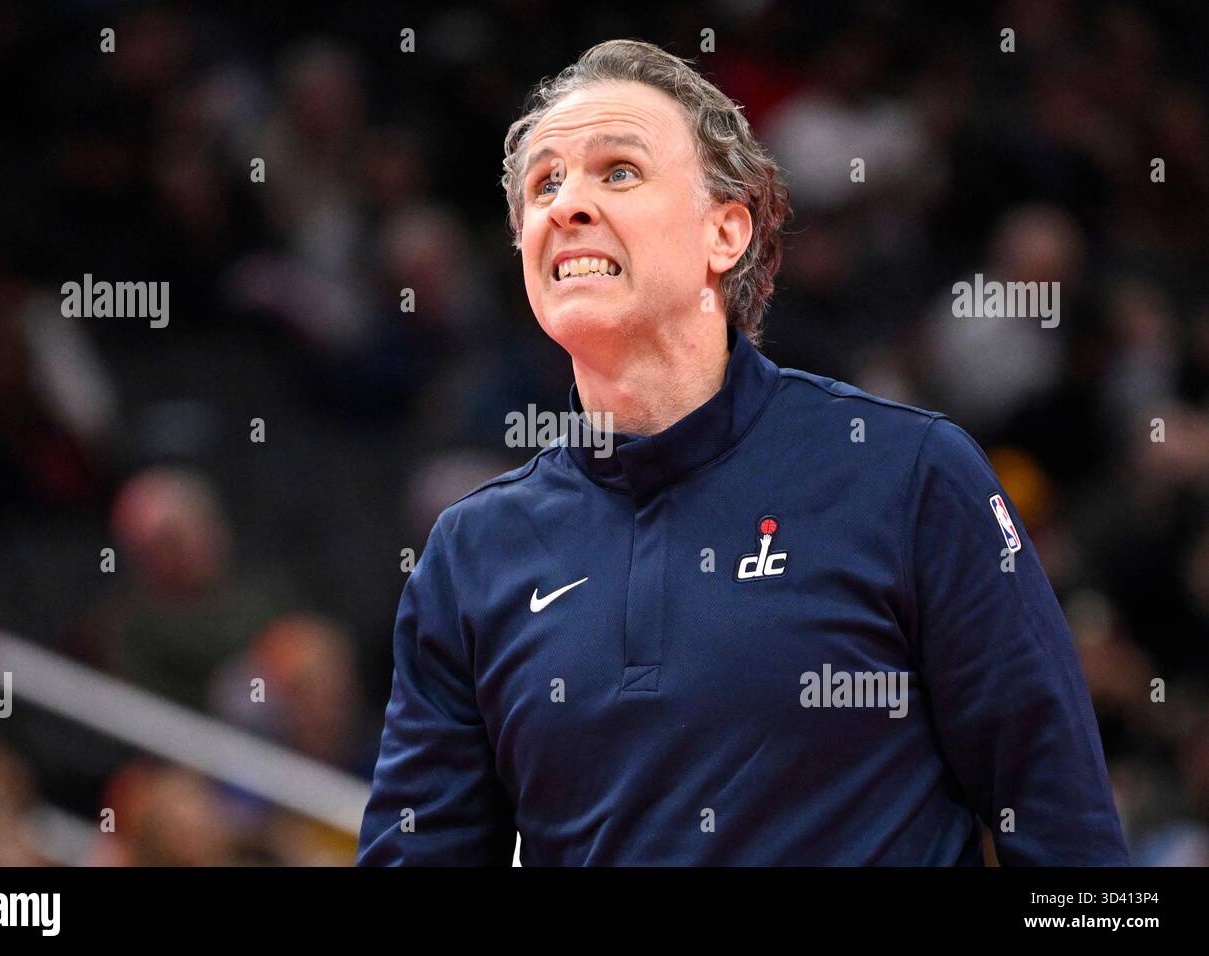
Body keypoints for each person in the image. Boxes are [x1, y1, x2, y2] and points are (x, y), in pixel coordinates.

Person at [356, 39, 1129, 865]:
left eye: (618, 171)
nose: (566, 204)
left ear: (725, 231)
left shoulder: (910, 476)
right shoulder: (472, 553)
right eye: (545, 184)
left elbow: (1069, 844)